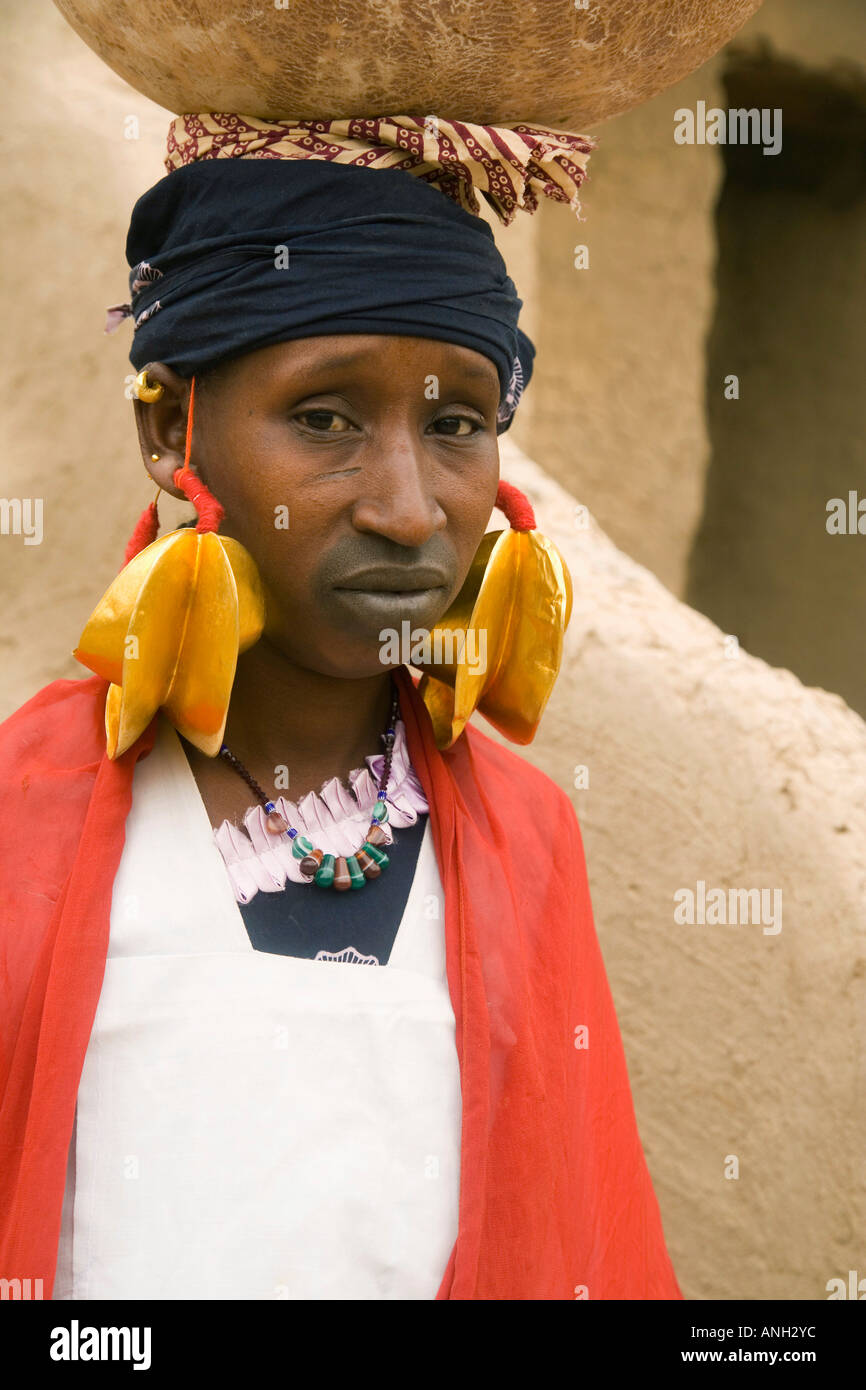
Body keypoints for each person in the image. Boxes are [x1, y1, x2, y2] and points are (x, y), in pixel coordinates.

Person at [0, 113, 681, 1300]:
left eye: (456, 423)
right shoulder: (21, 819)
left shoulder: (523, 844)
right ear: (172, 428)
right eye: (325, 419)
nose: (409, 506)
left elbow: (582, 1250)